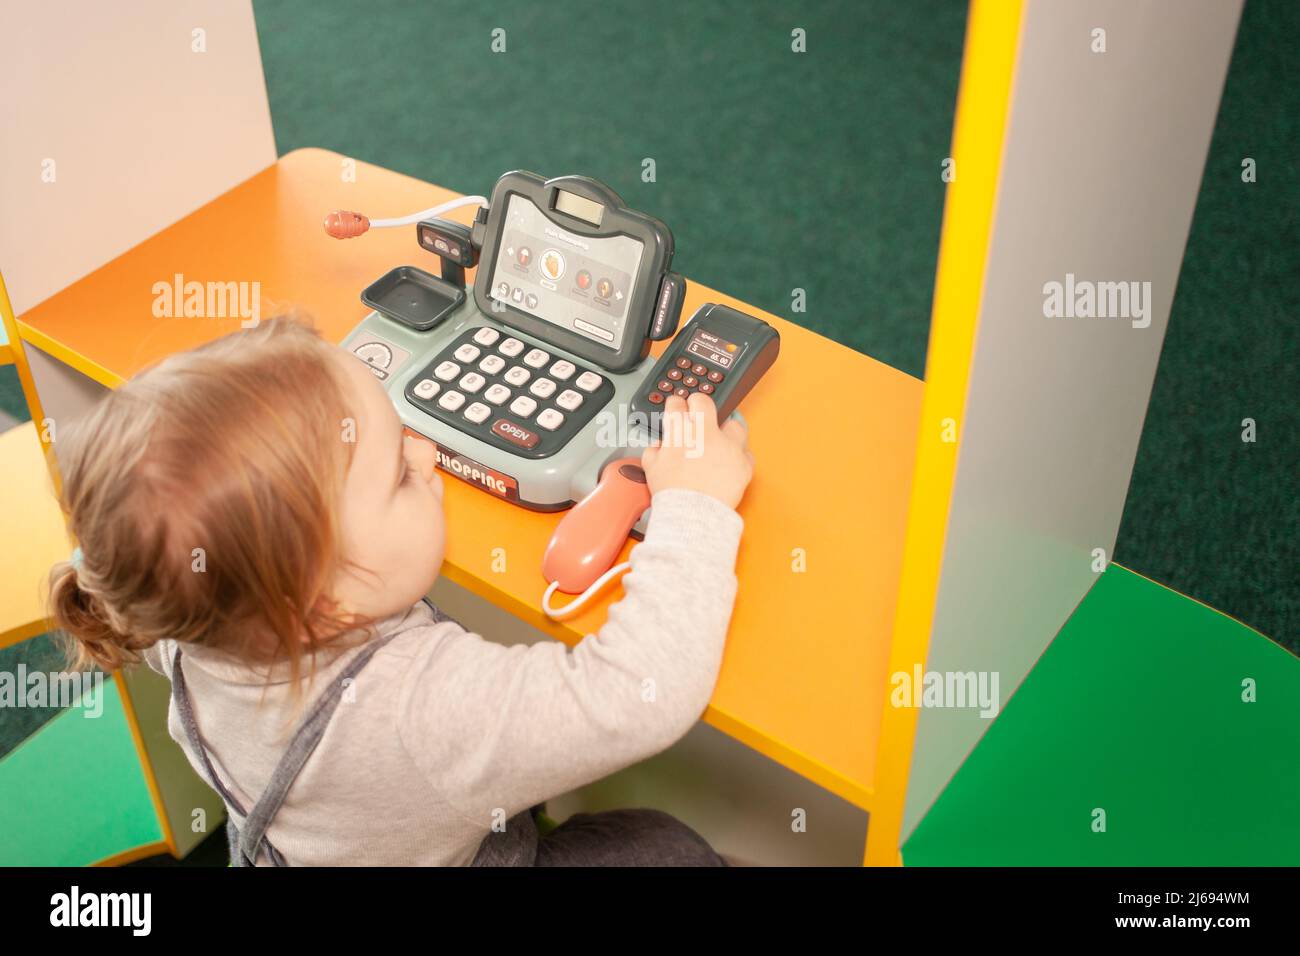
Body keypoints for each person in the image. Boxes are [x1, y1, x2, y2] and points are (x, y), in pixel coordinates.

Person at [49, 317, 754, 866]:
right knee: (662, 845)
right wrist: (696, 508)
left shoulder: (184, 614)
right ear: (324, 602)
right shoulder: (424, 709)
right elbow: (638, 694)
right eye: (396, 473)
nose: (424, 453)